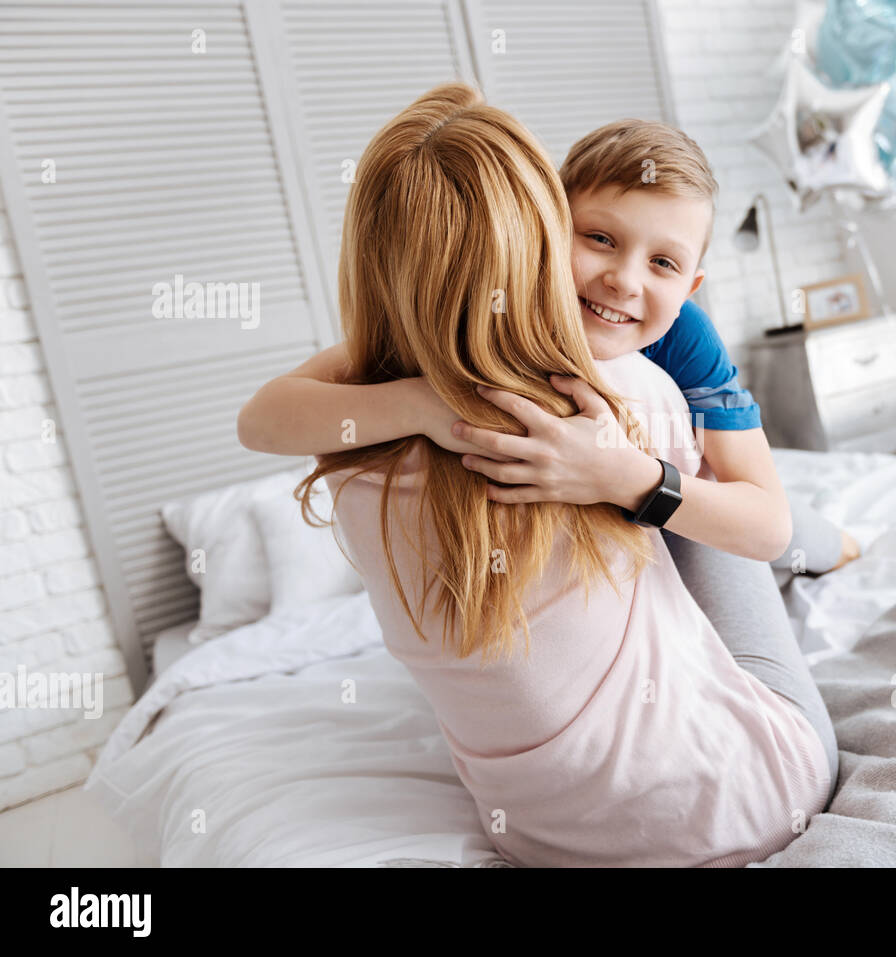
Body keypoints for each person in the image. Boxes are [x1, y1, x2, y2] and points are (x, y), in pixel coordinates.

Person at [240, 83, 841, 865]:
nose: (625, 280)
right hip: (761, 795)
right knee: (681, 495)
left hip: (545, 838)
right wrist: (629, 474)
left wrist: (425, 404)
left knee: (722, 508)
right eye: (596, 238)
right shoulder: (628, 397)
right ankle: (824, 541)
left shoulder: (347, 431)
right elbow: (754, 525)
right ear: (545, 231)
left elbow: (259, 419)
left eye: (662, 262)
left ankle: (829, 542)